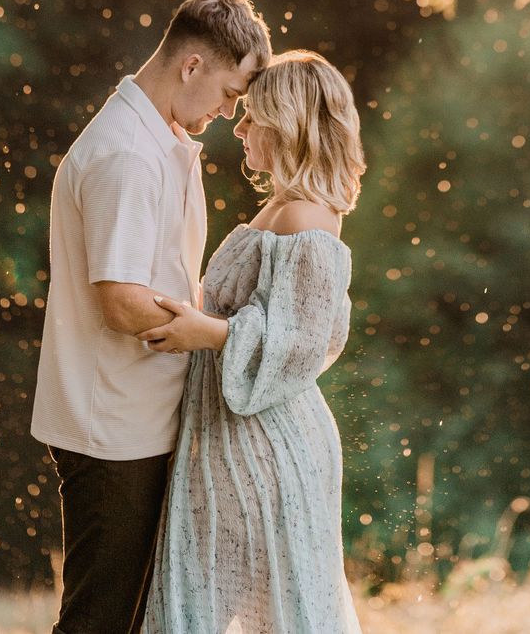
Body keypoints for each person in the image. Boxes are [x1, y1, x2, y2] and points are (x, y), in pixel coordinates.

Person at [30, 0, 272, 634]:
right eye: (228, 91)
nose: (228, 111)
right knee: (98, 620)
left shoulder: (156, 135)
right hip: (114, 424)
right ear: (192, 66)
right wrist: (211, 334)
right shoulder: (126, 154)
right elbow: (121, 301)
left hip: (136, 413)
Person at [137, 49, 368, 634]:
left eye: (252, 117)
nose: (238, 127)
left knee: (265, 613)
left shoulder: (309, 220)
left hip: (268, 443)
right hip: (232, 436)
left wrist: (204, 332)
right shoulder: (282, 207)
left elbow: (303, 342)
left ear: (287, 124)